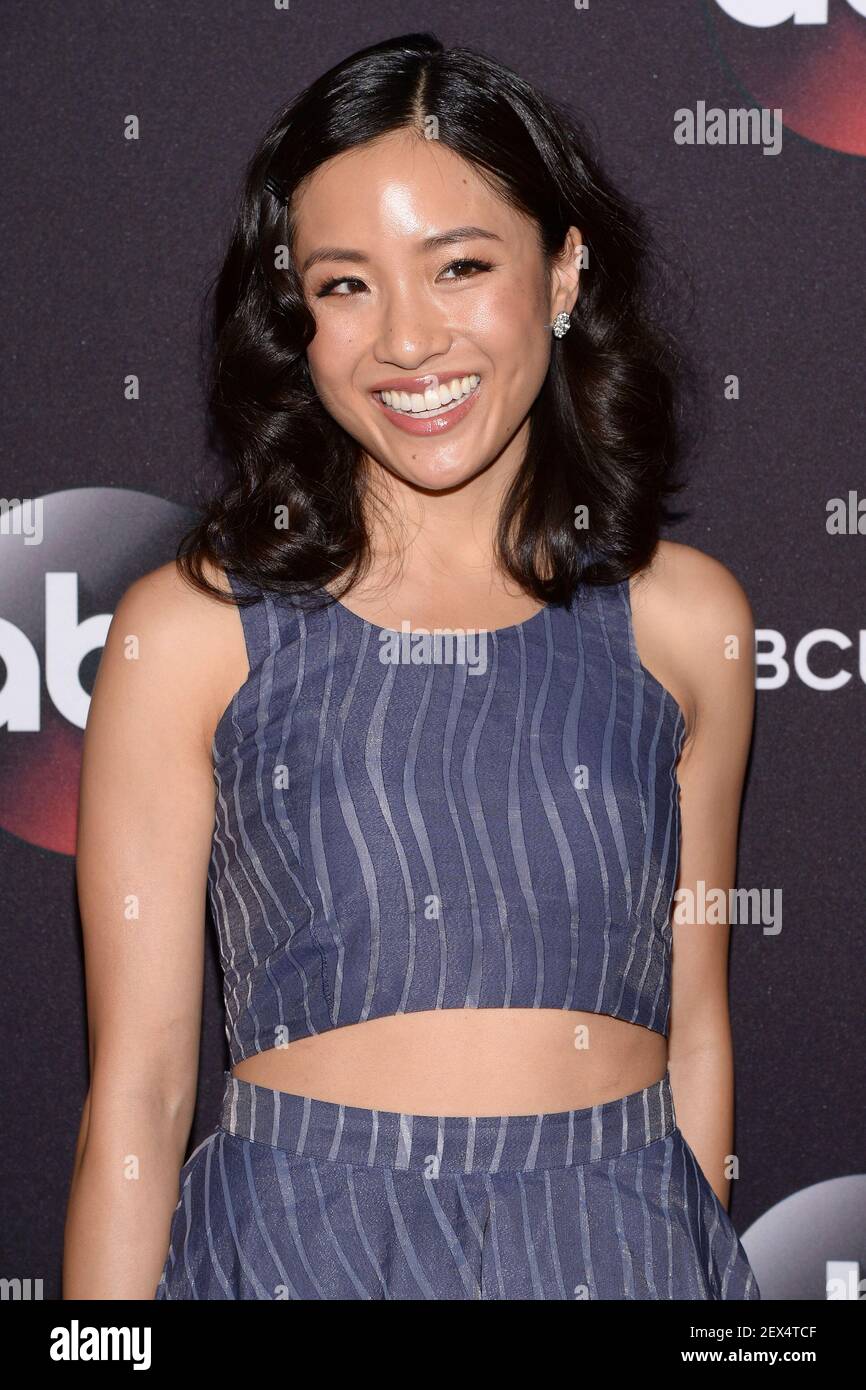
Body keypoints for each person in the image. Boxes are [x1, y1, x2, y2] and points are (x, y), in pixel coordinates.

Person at [63, 32, 761, 1300]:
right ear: (295, 316)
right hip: (298, 1243)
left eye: (458, 266)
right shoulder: (191, 631)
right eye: (343, 286)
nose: (406, 340)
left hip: (620, 1242)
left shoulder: (682, 622)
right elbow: (142, 1090)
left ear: (561, 271)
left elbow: (694, 1030)